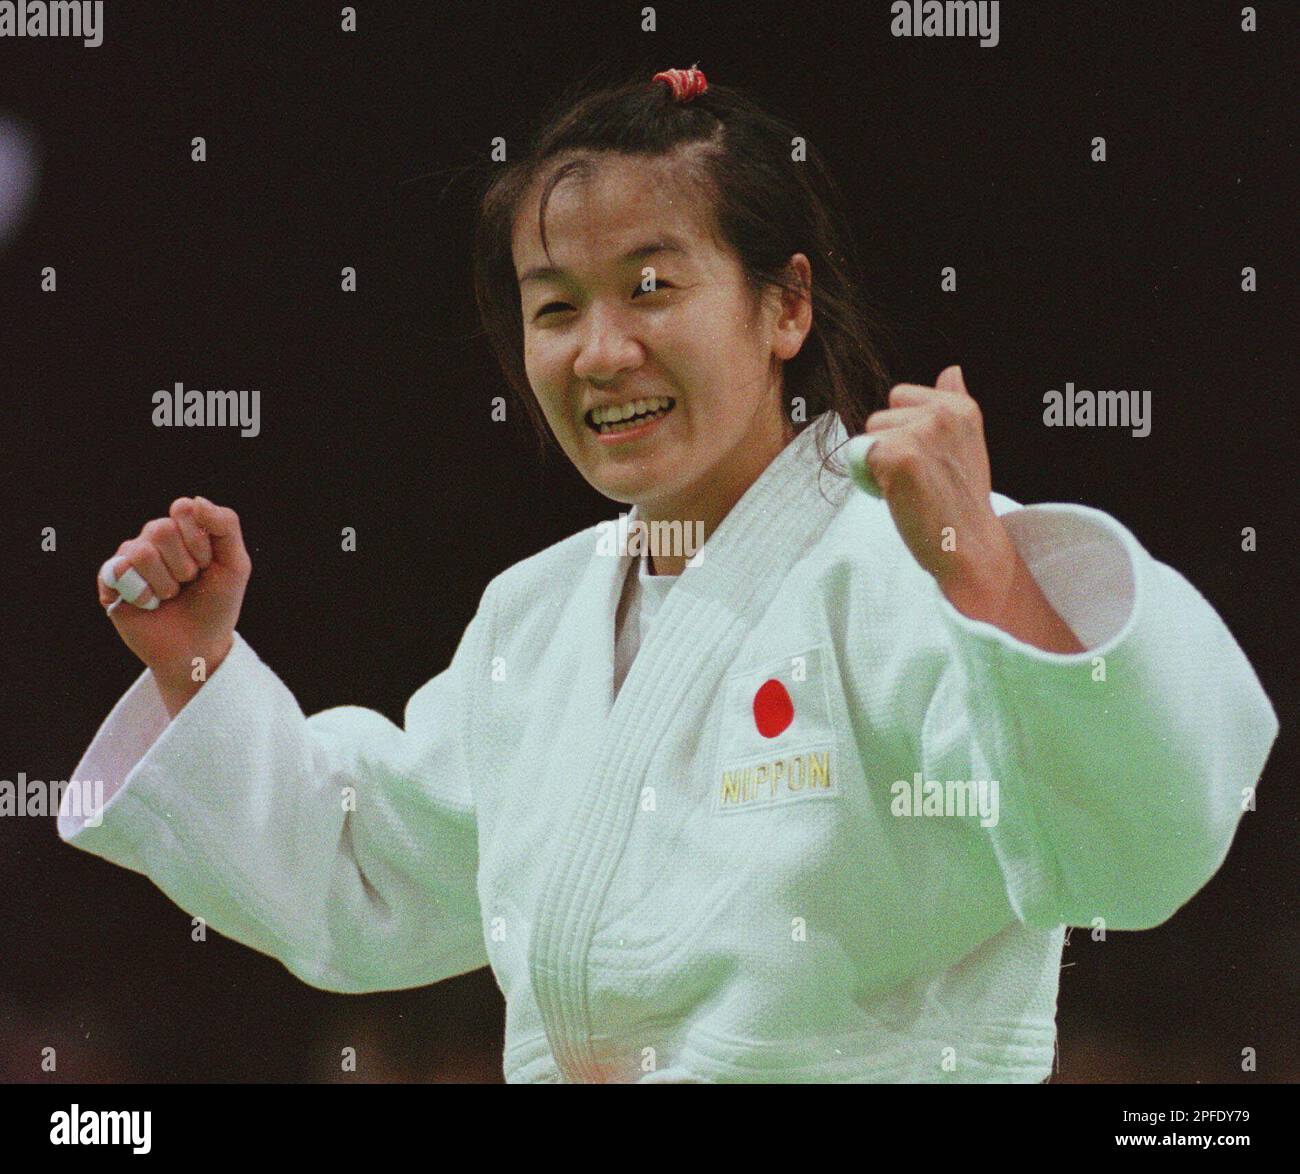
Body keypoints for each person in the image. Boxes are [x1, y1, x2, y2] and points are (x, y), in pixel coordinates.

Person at [60, 67, 1278, 1083]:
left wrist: (985, 566)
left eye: (651, 285)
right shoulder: (532, 619)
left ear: (784, 304)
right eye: (553, 307)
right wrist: (198, 664)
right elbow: (364, 876)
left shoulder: (917, 553)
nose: (600, 350)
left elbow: (1136, 849)